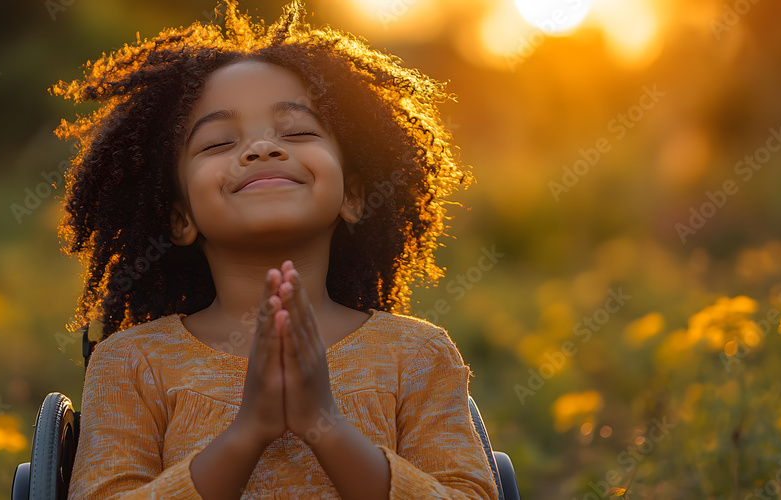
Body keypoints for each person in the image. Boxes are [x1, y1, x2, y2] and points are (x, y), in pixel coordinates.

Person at [52, 1, 498, 498]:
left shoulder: (417, 355)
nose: (262, 148)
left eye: (298, 132)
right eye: (218, 143)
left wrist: (325, 426)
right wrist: (248, 433)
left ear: (352, 196)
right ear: (180, 217)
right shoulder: (132, 362)